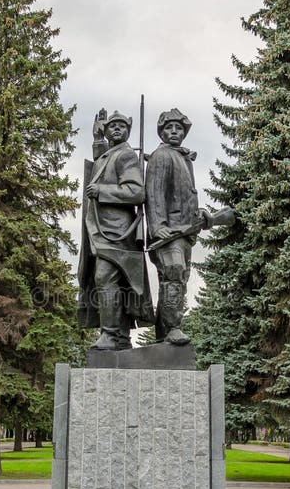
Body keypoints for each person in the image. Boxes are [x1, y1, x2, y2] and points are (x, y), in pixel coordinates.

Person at [77, 109, 154, 350]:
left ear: (129, 130)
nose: (117, 129)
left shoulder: (126, 155)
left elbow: (136, 192)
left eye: (122, 125)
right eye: (112, 126)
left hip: (117, 232)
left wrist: (103, 192)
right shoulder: (110, 154)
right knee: (113, 282)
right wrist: (97, 139)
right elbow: (100, 162)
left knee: (104, 277)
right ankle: (120, 337)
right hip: (100, 230)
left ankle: (110, 334)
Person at [145, 108, 209, 345]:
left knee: (177, 280)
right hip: (168, 232)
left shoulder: (182, 157)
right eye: (169, 127)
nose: (174, 131)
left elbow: (184, 196)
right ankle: (172, 328)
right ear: (161, 131)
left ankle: (164, 336)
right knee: (173, 272)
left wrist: (199, 215)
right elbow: (154, 193)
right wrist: (158, 225)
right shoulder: (162, 156)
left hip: (185, 232)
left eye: (179, 128)